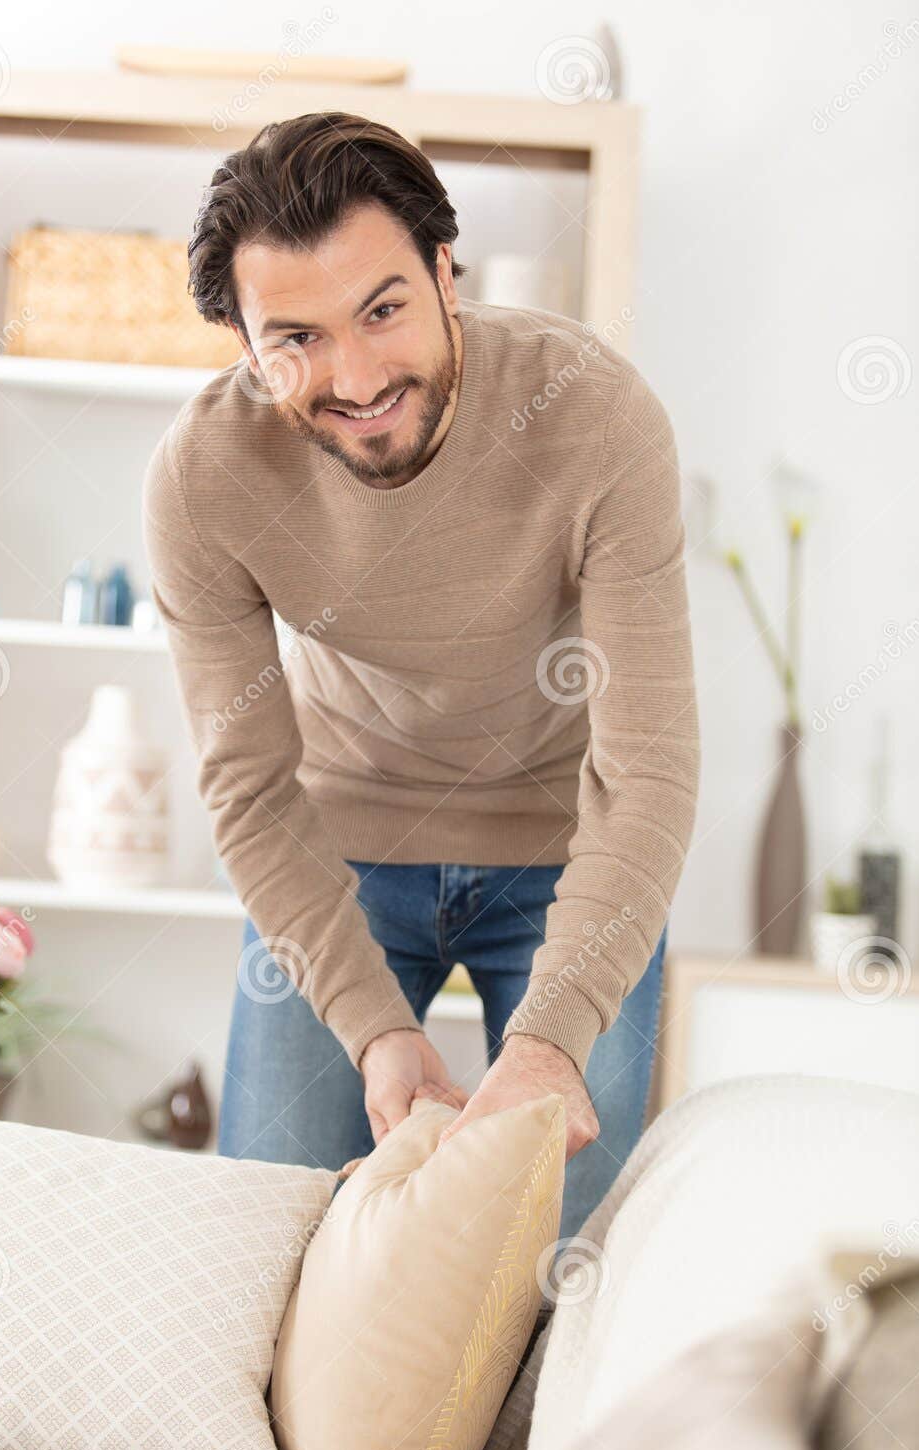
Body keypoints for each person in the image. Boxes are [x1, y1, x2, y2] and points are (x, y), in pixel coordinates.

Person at [142, 112, 699, 1237]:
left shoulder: (595, 417)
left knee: (568, 1262)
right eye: (294, 336)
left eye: (382, 310)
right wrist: (373, 1027)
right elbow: (246, 790)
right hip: (339, 853)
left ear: (447, 272)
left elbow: (648, 771)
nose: (353, 376)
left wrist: (549, 1043)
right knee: (271, 1230)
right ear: (244, 343)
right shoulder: (203, 478)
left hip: (566, 851)